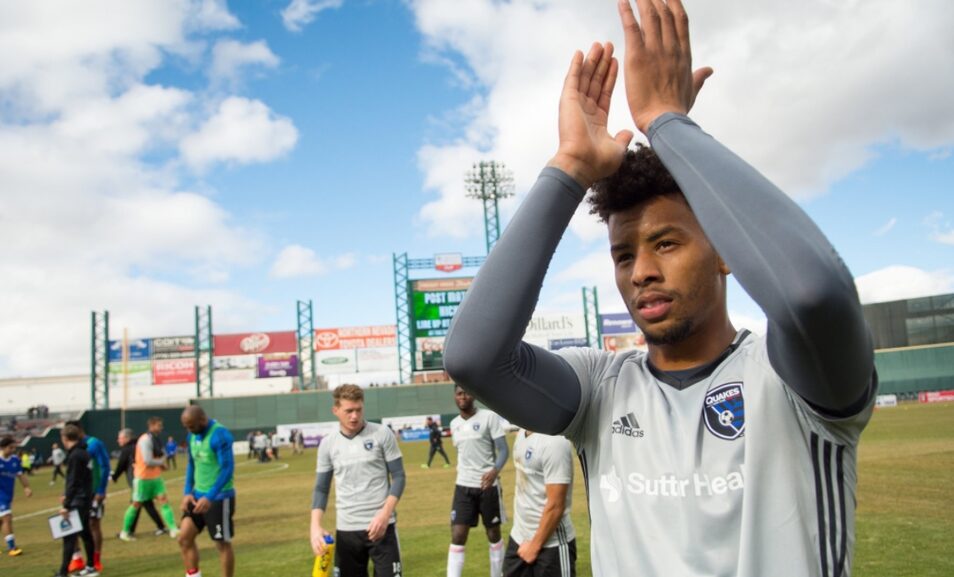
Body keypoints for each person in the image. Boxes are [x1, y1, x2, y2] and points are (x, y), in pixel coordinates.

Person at [443, 2, 876, 576]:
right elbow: (472, 357)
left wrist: (667, 122)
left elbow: (811, 295)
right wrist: (571, 166)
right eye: (624, 255)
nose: (640, 270)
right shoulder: (600, 389)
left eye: (666, 244)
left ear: (725, 252)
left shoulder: (794, 377)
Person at [310, 384, 406, 577]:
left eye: (358, 410)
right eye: (348, 411)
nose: (354, 416)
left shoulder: (382, 434)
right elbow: (321, 488)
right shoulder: (328, 444)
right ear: (335, 410)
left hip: (382, 528)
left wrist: (385, 514)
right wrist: (315, 526)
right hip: (347, 532)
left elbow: (399, 476)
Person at [447, 385, 510, 577]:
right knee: (457, 535)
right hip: (463, 486)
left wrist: (494, 471)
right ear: (455, 397)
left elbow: (503, 450)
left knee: (493, 534)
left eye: (466, 393)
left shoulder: (489, 417)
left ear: (473, 395)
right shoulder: (454, 424)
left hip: (487, 487)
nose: (463, 397)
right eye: (459, 393)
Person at [505, 430, 576, 577]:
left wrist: (534, 546)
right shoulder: (521, 434)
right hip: (518, 538)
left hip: (551, 546)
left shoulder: (555, 442)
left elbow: (556, 505)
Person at [178, 405, 236, 577]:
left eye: (192, 426)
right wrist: (187, 492)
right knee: (184, 538)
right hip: (197, 496)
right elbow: (192, 463)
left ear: (202, 420)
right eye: (186, 427)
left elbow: (227, 469)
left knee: (221, 544)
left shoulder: (220, 435)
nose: (189, 430)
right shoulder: (192, 435)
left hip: (219, 498)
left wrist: (210, 497)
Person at [120, 417, 180, 541]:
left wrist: (161, 464)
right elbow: (147, 460)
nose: (161, 427)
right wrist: (162, 461)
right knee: (136, 504)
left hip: (155, 477)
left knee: (164, 501)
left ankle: (173, 529)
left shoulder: (155, 439)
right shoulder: (145, 440)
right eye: (159, 425)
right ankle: (124, 532)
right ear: (151, 426)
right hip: (142, 478)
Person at [63, 420, 111, 573]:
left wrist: (101, 490)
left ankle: (95, 561)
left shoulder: (94, 443)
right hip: (78, 494)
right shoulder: (74, 448)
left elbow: (105, 466)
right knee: (74, 524)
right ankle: (77, 559)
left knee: (93, 524)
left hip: (93, 492)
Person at [56, 424, 98, 576]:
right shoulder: (84, 453)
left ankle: (63, 572)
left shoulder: (75, 455)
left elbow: (73, 481)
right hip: (85, 499)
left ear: (65, 438)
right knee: (85, 533)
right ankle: (91, 567)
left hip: (78, 501)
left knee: (69, 536)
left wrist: (66, 504)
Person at [111, 428, 167, 537]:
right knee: (145, 504)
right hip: (147, 478)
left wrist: (114, 477)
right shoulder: (141, 444)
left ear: (127, 438)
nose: (118, 440)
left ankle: (129, 531)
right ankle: (159, 527)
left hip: (137, 480)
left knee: (137, 504)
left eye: (120, 438)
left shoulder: (127, 449)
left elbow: (121, 466)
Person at [0, 436, 32, 557]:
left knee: (1, 521)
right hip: (0, 495)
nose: (13, 450)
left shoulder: (15, 460)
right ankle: (12, 547)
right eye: (10, 447)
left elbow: (21, 475)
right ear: (3, 447)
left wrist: (26, 487)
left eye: (14, 447)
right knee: (7, 517)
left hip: (8, 494)